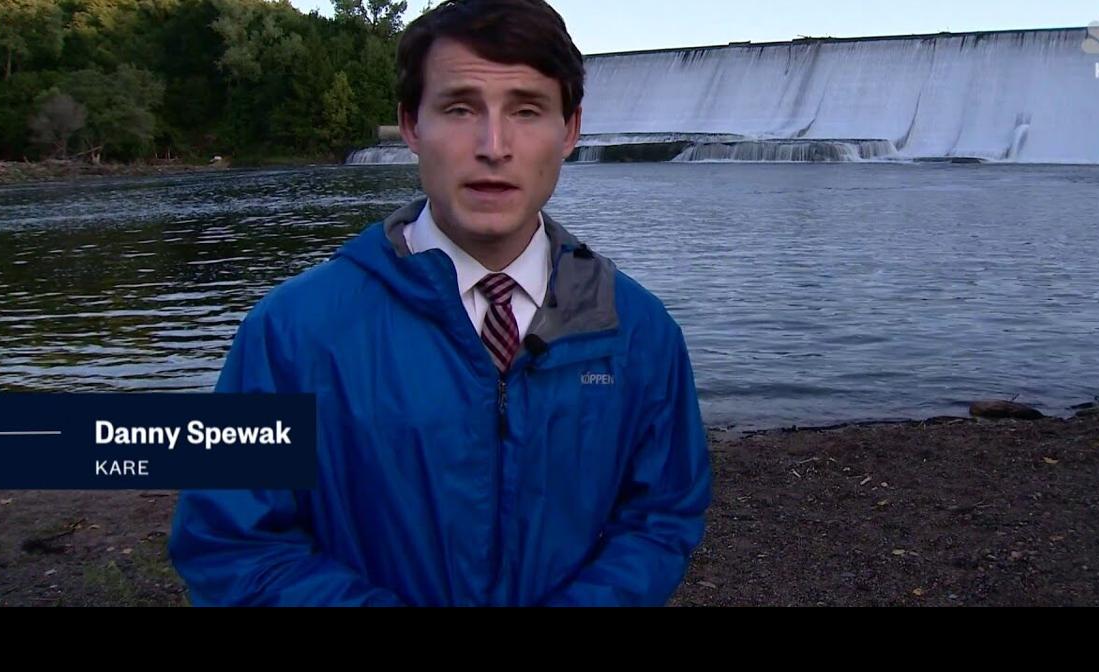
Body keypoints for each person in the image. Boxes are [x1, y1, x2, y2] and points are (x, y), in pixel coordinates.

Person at [169, 0, 713, 607]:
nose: (493, 145)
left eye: (527, 111)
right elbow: (230, 543)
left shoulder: (640, 332)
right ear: (410, 125)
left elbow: (661, 517)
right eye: (459, 109)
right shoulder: (290, 332)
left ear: (570, 131)